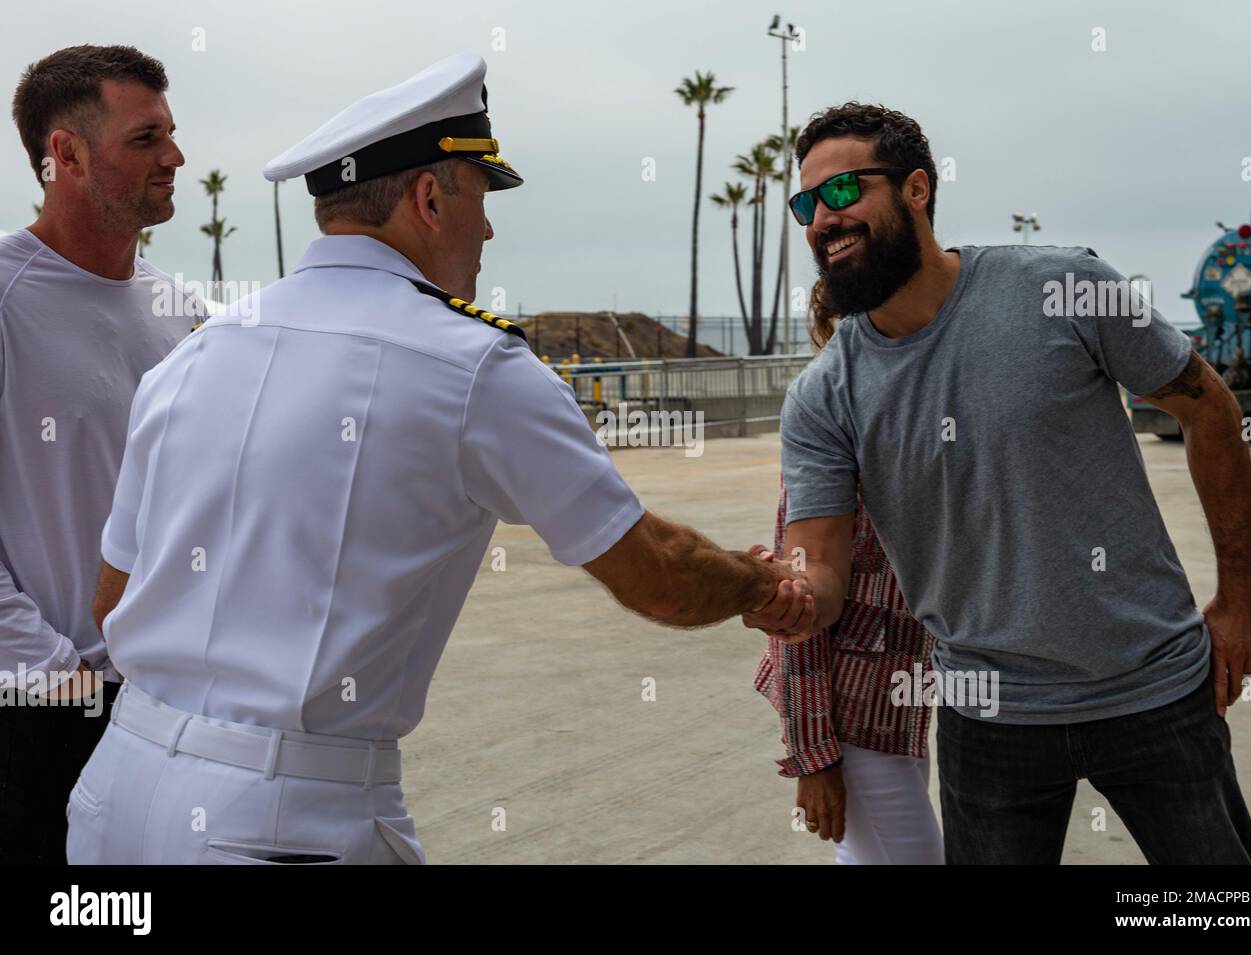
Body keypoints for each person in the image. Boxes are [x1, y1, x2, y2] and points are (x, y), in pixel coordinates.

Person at [67, 53, 812, 865]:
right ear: (429, 197)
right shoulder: (473, 366)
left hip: (116, 794)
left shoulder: (195, 353)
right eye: (481, 197)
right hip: (278, 821)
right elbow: (660, 577)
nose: (488, 229)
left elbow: (113, 604)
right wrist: (763, 582)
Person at [747, 102, 1251, 864]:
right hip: (987, 720)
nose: (823, 219)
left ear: (917, 188)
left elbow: (1210, 409)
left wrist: (1242, 594)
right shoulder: (824, 395)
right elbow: (821, 569)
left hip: (1154, 688)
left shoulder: (1064, 287)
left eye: (843, 191)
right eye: (807, 205)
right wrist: (786, 598)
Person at [0, 44, 197, 864]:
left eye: (172, 134)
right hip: (44, 719)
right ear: (67, 155)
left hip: (176, 707)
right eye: (146, 138)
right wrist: (62, 681)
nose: (176, 157)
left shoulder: (180, 309)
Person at [752, 470, 942, 864]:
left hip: (905, 704)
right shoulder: (832, 428)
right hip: (851, 715)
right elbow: (796, 613)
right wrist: (815, 756)